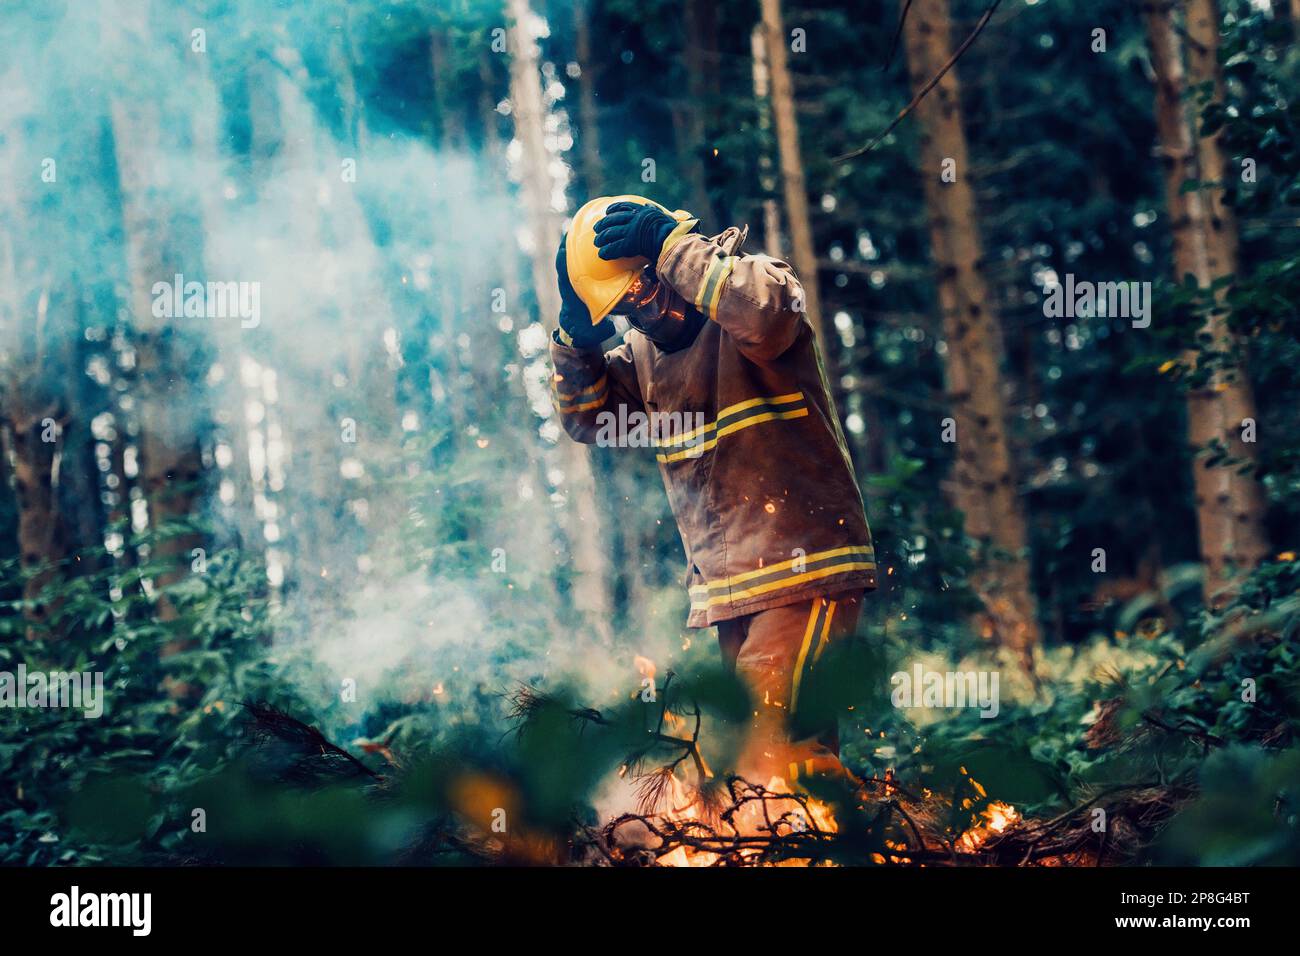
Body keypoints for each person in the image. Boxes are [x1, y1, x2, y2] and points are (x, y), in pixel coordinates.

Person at [549, 195, 876, 785]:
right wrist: (577, 338)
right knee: (780, 768)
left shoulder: (759, 287)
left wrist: (670, 244)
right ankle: (879, 844)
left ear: (665, 265)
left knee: (767, 758)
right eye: (625, 310)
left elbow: (769, 313)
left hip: (803, 571)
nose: (641, 318)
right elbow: (587, 419)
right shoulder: (645, 359)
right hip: (734, 591)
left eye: (642, 294)